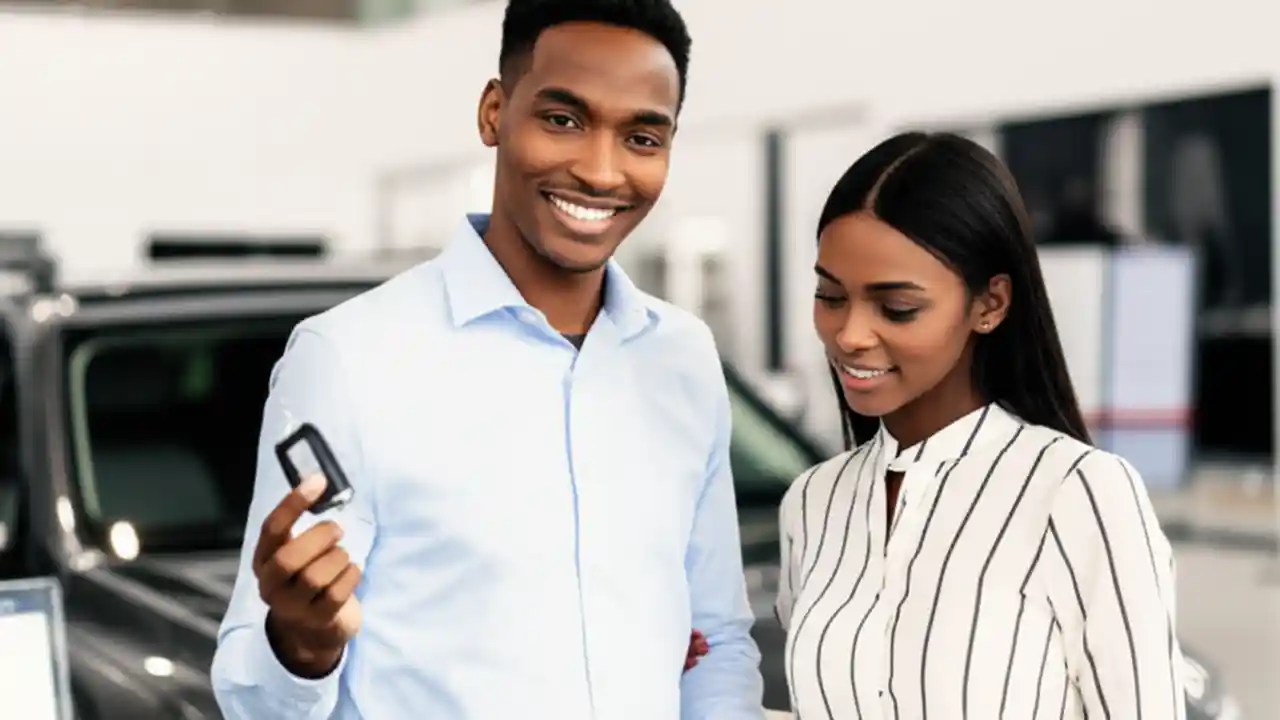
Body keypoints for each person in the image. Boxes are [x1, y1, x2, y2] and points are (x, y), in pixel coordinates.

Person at [210, 1, 764, 717]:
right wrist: (302, 646)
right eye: (563, 120)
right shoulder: (348, 358)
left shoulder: (683, 358)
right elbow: (252, 697)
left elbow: (714, 636)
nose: (601, 171)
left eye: (642, 137)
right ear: (494, 113)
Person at [774, 132, 1185, 720]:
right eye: (830, 296)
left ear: (989, 304)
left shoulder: (1079, 493)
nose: (850, 335)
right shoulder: (812, 503)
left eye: (897, 308)